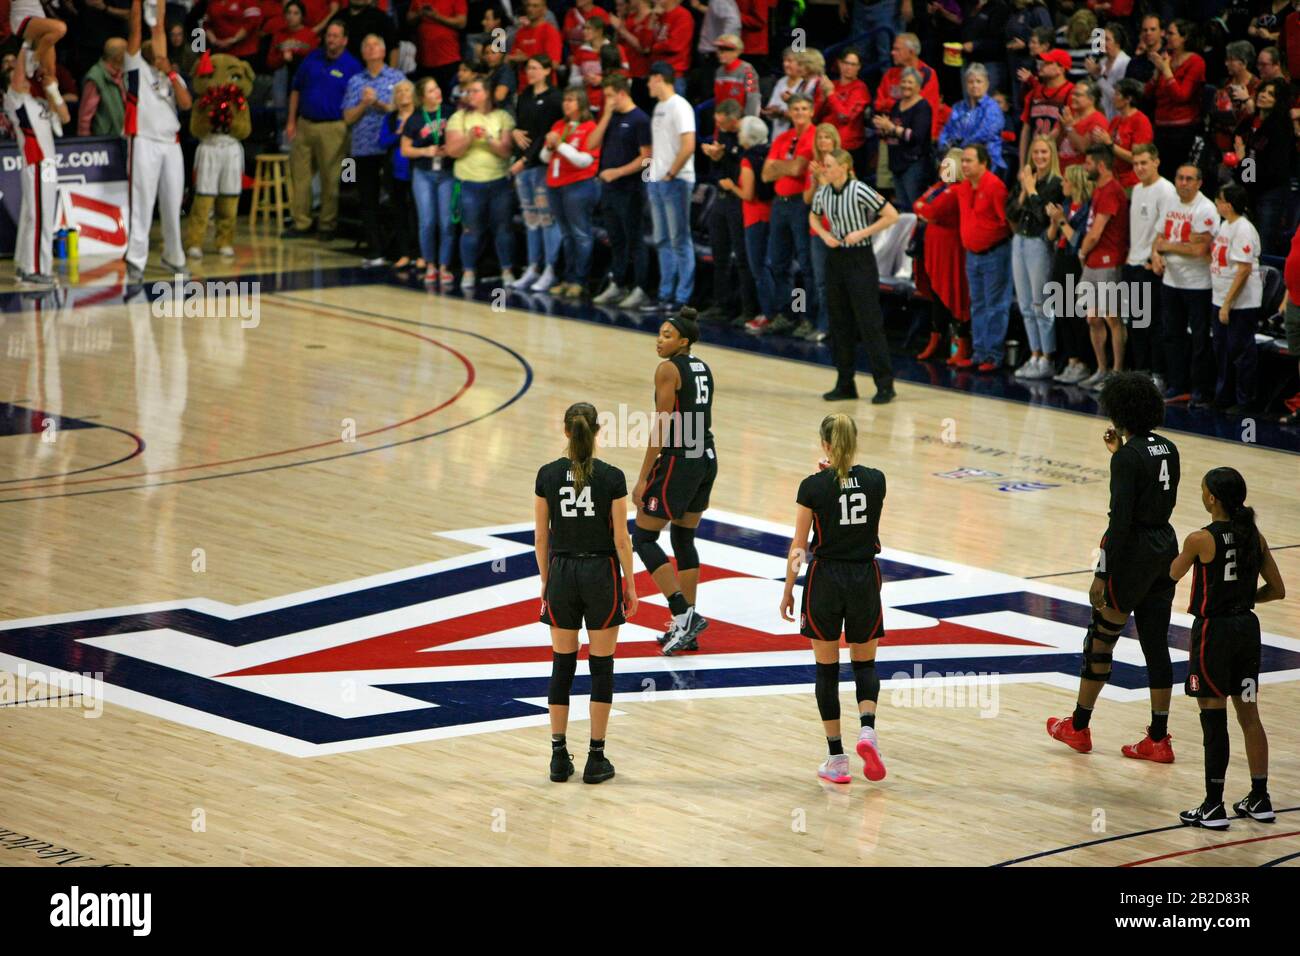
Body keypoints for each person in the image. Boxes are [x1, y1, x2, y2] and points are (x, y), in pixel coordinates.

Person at [1047, 372, 1180, 762]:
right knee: (1157, 644)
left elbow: (1119, 522)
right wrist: (1121, 452)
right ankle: (1158, 737)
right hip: (1164, 546)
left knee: (1102, 637)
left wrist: (1102, 573)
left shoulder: (1126, 457)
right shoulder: (1168, 447)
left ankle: (1079, 726)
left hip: (1133, 552)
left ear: (1119, 409)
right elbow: (1150, 487)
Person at [1170, 467, 1286, 828]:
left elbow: (1169, 575)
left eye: (1203, 490)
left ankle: (1213, 805)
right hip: (1247, 629)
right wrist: (1242, 598)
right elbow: (1278, 590)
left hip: (1213, 633)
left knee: (1213, 716)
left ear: (1212, 498)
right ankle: (1259, 797)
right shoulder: (1255, 536)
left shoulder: (1199, 539)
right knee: (1250, 716)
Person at [779, 413, 888, 785]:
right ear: (854, 441)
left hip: (825, 580)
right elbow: (851, 494)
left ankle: (837, 758)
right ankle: (868, 730)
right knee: (865, 663)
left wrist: (789, 586)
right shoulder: (876, 480)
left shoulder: (812, 486)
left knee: (826, 671)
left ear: (825, 444)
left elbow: (799, 546)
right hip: (864, 577)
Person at [534, 401, 638, 785]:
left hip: (562, 571)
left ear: (565, 432)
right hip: (600, 573)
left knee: (562, 665)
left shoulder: (547, 474)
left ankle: (558, 757)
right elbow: (621, 538)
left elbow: (541, 537)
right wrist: (630, 582)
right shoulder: (611, 477)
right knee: (602, 666)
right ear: (597, 432)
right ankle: (596, 757)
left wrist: (546, 580)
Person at [631, 309, 717, 657]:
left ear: (683, 341)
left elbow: (662, 424)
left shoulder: (668, 369)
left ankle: (683, 613)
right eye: (660, 333)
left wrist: (643, 477)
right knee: (683, 537)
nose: (660, 339)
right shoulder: (702, 367)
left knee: (644, 537)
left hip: (680, 460)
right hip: (707, 455)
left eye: (667, 335)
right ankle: (687, 630)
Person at [812, 149, 899, 405]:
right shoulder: (824, 192)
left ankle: (885, 385)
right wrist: (823, 233)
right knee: (839, 322)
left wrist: (863, 233)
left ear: (844, 167)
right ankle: (845, 382)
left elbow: (891, 215)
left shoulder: (859, 189)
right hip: (836, 258)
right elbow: (813, 215)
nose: (824, 169)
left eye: (828, 165)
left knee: (869, 322)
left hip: (860, 259)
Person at [124, 0, 190, 282]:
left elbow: (186, 105)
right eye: (151, 45)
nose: (155, 45)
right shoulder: (135, 68)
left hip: (171, 144)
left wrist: (172, 73)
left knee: (173, 203)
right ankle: (135, 260)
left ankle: (173, 257)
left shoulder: (171, 76)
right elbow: (139, 27)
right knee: (142, 202)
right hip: (144, 141)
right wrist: (139, 3)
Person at [285, 20, 361, 242]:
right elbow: (296, 90)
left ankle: (327, 224)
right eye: (329, 35)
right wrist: (291, 121)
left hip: (333, 127)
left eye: (336, 36)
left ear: (345, 40)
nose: (331, 39)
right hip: (305, 123)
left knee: (331, 178)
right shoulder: (311, 58)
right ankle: (301, 222)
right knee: (300, 176)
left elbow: (355, 100)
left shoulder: (352, 66)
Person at [1153, 163, 1219, 407]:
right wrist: (1156, 255)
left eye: (1189, 179)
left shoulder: (1206, 209)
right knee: (1172, 335)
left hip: (1198, 285)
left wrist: (1167, 247)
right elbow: (1158, 238)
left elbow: (1200, 249)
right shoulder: (1170, 202)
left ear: (1199, 182)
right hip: (1171, 281)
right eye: (1180, 178)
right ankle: (1177, 386)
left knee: (1200, 338)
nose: (1183, 182)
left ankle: (1200, 389)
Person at [446, 76, 517, 292]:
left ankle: (507, 270)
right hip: (468, 182)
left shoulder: (502, 117)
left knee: (503, 228)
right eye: (468, 92)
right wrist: (468, 137)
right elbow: (452, 151)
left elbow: (506, 151)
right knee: (471, 230)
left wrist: (489, 139)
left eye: (475, 91)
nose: (470, 95)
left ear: (486, 93)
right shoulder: (459, 117)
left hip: (498, 182)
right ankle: (468, 271)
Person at [341, 34, 405, 268]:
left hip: (390, 147)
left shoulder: (397, 78)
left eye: (375, 44)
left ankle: (400, 250)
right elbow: (348, 118)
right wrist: (363, 104)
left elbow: (403, 110)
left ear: (384, 49)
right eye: (365, 45)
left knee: (397, 198)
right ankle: (375, 250)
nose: (370, 49)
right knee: (367, 200)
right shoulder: (355, 81)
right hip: (364, 147)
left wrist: (378, 103)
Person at [589, 72, 652, 308]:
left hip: (630, 188)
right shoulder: (611, 117)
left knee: (634, 239)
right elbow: (591, 143)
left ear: (622, 94)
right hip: (609, 189)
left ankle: (641, 288)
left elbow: (647, 158)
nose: (606, 100)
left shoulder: (640, 120)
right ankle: (618, 283)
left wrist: (618, 172)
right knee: (615, 239)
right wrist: (605, 114)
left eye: (609, 96)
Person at [758, 92, 816, 336]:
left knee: (805, 263)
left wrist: (780, 167)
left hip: (800, 204)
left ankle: (808, 317)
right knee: (778, 262)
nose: (800, 113)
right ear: (790, 113)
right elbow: (765, 175)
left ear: (811, 111)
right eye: (796, 109)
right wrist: (786, 168)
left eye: (804, 108)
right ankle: (787, 313)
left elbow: (799, 167)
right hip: (779, 204)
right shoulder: (783, 137)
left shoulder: (814, 135)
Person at [1006, 134, 1062, 379]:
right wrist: (1023, 191)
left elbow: (1043, 217)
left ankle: (1048, 357)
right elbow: (1010, 212)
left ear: (1052, 156)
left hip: (1039, 244)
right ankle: (1034, 354)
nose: (1039, 157)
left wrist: (1031, 191)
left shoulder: (1055, 184)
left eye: (1044, 153)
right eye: (1036, 153)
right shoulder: (1026, 180)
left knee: (1041, 304)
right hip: (1019, 240)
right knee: (1026, 304)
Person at [641, 61, 696, 313]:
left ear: (659, 78)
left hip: (676, 180)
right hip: (657, 180)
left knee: (679, 239)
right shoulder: (659, 107)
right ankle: (665, 295)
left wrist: (671, 173)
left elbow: (689, 144)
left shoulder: (680, 106)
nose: (647, 85)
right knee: (662, 239)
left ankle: (682, 297)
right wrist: (652, 176)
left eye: (650, 79)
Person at [954, 144, 1012, 373]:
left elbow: (1006, 222)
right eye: (963, 161)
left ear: (984, 163)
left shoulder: (996, 186)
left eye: (969, 160)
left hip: (994, 253)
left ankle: (993, 355)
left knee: (996, 305)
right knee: (977, 304)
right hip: (972, 254)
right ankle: (978, 353)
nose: (964, 165)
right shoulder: (963, 188)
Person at [1077, 145, 1130, 390]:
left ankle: (1116, 372)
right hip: (1094, 261)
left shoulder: (1111, 191)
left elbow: (1096, 232)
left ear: (1100, 165)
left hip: (1108, 260)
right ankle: (1101, 369)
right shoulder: (1099, 190)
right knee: (1093, 318)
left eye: (1088, 163)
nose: (1084, 167)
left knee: (1112, 317)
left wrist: (1082, 250)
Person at [3, 47, 57, 287]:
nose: (21, 72)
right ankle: (37, 268)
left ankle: (26, 264)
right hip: (36, 162)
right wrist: (25, 45)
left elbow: (63, 117)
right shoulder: (13, 98)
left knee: (33, 216)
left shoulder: (38, 100)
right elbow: (16, 77)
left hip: (47, 163)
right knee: (40, 217)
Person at [511, 55, 565, 293]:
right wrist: (513, 133)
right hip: (524, 167)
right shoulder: (524, 96)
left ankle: (550, 269)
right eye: (527, 68)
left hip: (541, 165)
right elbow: (522, 128)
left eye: (534, 68)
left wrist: (525, 159)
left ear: (546, 70)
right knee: (530, 220)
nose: (530, 72)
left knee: (547, 219)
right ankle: (532, 267)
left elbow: (545, 134)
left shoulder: (555, 99)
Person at [700, 99, 757, 324]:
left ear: (735, 120)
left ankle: (748, 309)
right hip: (721, 199)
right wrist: (715, 158)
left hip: (740, 202)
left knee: (743, 257)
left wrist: (724, 157)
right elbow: (717, 172)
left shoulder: (748, 134)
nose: (719, 127)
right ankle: (720, 304)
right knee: (719, 255)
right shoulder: (722, 134)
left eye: (722, 123)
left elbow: (745, 166)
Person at [913, 149, 972, 364]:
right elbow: (917, 204)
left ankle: (962, 345)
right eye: (942, 165)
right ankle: (935, 341)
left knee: (955, 294)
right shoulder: (939, 187)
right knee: (937, 294)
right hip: (933, 248)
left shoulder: (956, 190)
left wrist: (924, 210)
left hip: (951, 249)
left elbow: (930, 212)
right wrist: (924, 209)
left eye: (948, 165)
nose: (942, 169)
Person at [1123, 143, 1175, 387]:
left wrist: (1150, 255)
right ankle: (1139, 373)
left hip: (1148, 267)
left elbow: (1164, 229)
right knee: (1135, 324)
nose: (1140, 168)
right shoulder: (1136, 189)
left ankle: (1157, 375)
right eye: (1135, 164)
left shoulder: (1166, 191)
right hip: (1132, 264)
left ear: (1156, 161)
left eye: (1144, 162)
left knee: (1153, 323)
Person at [542, 88, 602, 299]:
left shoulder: (589, 127)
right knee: (567, 235)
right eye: (565, 100)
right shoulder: (559, 125)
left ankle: (580, 280)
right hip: (555, 184)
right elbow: (544, 158)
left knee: (581, 234)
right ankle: (567, 278)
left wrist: (560, 145)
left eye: (572, 100)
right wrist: (550, 146)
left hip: (579, 185)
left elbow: (585, 160)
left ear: (582, 104)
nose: (566, 104)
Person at [1208, 184, 1262, 414]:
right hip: (1220, 298)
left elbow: (1243, 270)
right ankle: (1224, 396)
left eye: (1218, 200)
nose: (1216, 203)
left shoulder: (1243, 229)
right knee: (1222, 349)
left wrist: (1228, 303)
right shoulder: (1225, 225)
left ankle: (1245, 400)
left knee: (1241, 351)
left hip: (1241, 303)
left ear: (1228, 205)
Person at [401, 77, 455, 287]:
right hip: (423, 172)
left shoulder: (450, 112)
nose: (437, 92)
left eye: (438, 88)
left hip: (447, 171)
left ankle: (445, 266)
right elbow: (405, 149)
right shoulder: (414, 119)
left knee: (447, 221)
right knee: (427, 221)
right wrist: (425, 150)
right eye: (432, 91)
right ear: (423, 97)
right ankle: (430, 264)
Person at [1233, 78, 1296, 257]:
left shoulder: (1281, 127)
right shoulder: (1249, 122)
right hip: (1250, 190)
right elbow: (1248, 171)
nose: (1264, 96)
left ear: (1279, 100)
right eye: (1263, 91)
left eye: (1271, 94)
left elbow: (1273, 169)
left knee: (1264, 242)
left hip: (1271, 193)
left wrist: (1243, 160)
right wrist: (1244, 162)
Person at [1045, 162, 1096, 384]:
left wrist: (1062, 221)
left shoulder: (1087, 207)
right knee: (1062, 313)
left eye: (1066, 180)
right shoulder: (1065, 204)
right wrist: (1055, 222)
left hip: (1077, 264)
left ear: (1076, 182)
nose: (1062, 184)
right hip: (1061, 260)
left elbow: (1078, 241)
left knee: (1077, 314)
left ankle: (1083, 362)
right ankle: (1071, 360)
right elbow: (1050, 236)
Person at [793, 122, 841, 343]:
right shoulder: (813, 166)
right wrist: (814, 180)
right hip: (816, 230)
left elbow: (842, 197)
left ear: (834, 140)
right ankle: (806, 318)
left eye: (827, 137)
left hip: (837, 230)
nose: (823, 141)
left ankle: (828, 325)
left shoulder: (842, 164)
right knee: (815, 278)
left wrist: (823, 179)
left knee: (830, 281)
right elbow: (806, 199)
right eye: (820, 137)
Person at [1144, 18, 1205, 180]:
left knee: (1178, 177)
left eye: (1172, 33)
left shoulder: (1195, 62)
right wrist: (1157, 73)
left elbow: (1182, 95)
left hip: (1183, 131)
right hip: (1161, 128)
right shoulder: (1166, 58)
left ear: (1184, 37)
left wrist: (1166, 70)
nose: (1167, 37)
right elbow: (1147, 93)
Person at [734, 115, 776, 332]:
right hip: (770, 214)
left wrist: (730, 187)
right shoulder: (769, 152)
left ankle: (768, 314)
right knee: (771, 266)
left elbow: (748, 194)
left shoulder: (748, 159)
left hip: (755, 217)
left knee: (759, 268)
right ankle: (779, 311)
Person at [876, 66, 933, 211]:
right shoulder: (897, 105)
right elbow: (892, 133)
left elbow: (916, 137)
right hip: (896, 163)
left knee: (916, 207)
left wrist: (891, 128)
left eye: (910, 82)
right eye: (904, 82)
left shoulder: (923, 106)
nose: (906, 85)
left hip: (914, 164)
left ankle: (919, 234)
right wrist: (883, 129)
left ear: (919, 86)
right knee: (904, 208)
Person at [377, 79, 418, 270]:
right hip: (395, 170)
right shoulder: (391, 118)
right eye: (399, 92)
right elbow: (383, 141)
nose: (403, 94)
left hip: (417, 170)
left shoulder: (420, 116)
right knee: (399, 213)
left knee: (418, 213)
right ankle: (404, 253)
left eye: (406, 91)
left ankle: (420, 254)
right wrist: (399, 133)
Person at [9, 0, 70, 125]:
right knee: (60, 28)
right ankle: (34, 58)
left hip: (40, 18)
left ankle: (53, 113)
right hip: (22, 17)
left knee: (49, 73)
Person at [936, 62, 1004, 174]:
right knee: (946, 179)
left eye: (978, 81)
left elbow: (986, 133)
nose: (974, 85)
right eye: (970, 82)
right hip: (956, 159)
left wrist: (961, 147)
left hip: (985, 160)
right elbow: (947, 130)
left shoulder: (992, 107)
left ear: (987, 84)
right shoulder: (958, 107)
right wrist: (944, 145)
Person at [816, 48, 870, 178]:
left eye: (853, 64)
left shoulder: (860, 88)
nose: (848, 67)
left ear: (859, 67)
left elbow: (844, 116)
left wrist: (830, 94)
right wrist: (823, 98)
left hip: (848, 149)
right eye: (846, 63)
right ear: (839, 63)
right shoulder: (831, 85)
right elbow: (815, 117)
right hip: (825, 146)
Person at [1094, 78, 1153, 190]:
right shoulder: (1116, 120)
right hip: (1114, 180)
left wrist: (1109, 144)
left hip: (1133, 183)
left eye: (1117, 94)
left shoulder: (1140, 121)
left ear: (1128, 99)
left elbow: (1137, 157)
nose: (1113, 97)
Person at [1020, 48, 1073, 169]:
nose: (1042, 66)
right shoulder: (1034, 93)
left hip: (1059, 160)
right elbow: (1026, 130)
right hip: (1035, 157)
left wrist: (1042, 146)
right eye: (1042, 62)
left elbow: (1062, 129)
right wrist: (1022, 166)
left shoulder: (1071, 92)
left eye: (1048, 63)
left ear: (1061, 69)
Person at [408, 0, 466, 101]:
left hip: (448, 58)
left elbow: (461, 22)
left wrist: (436, 16)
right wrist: (420, 13)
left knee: (449, 98)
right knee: (424, 99)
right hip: (424, 59)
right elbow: (409, 19)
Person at [77, 39, 128, 137]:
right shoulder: (95, 77)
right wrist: (85, 144)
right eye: (127, 53)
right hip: (107, 140)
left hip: (125, 136)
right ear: (118, 57)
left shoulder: (124, 73)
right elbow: (85, 116)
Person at [508, 0, 563, 89]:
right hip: (523, 88)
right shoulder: (521, 32)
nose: (530, 9)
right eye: (528, 6)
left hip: (545, 89)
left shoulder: (550, 31)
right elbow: (513, 58)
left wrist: (526, 58)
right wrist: (510, 59)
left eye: (535, 6)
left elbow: (554, 64)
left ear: (544, 10)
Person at [1058, 79, 1110, 170]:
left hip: (1081, 176)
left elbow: (1085, 148)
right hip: (1062, 170)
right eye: (1073, 94)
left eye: (1078, 95)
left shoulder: (1098, 120)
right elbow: (1055, 142)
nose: (1073, 97)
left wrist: (1069, 127)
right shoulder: (1070, 115)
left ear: (1091, 99)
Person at [1084, 21, 1130, 119]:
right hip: (1103, 114)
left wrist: (1098, 77)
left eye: (1107, 39)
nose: (1102, 43)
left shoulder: (1125, 63)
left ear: (1117, 43)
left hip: (1118, 116)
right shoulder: (1102, 62)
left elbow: (1117, 96)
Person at [649, 0, 693, 95]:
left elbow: (674, 45)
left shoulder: (682, 15)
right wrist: (652, 20)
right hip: (655, 73)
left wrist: (654, 47)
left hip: (673, 76)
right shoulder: (658, 16)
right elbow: (645, 44)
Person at [712, 34, 760, 117]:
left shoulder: (748, 70)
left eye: (726, 49)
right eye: (719, 49)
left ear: (737, 51)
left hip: (740, 122)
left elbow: (753, 98)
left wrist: (748, 122)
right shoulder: (719, 71)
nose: (721, 52)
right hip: (723, 121)